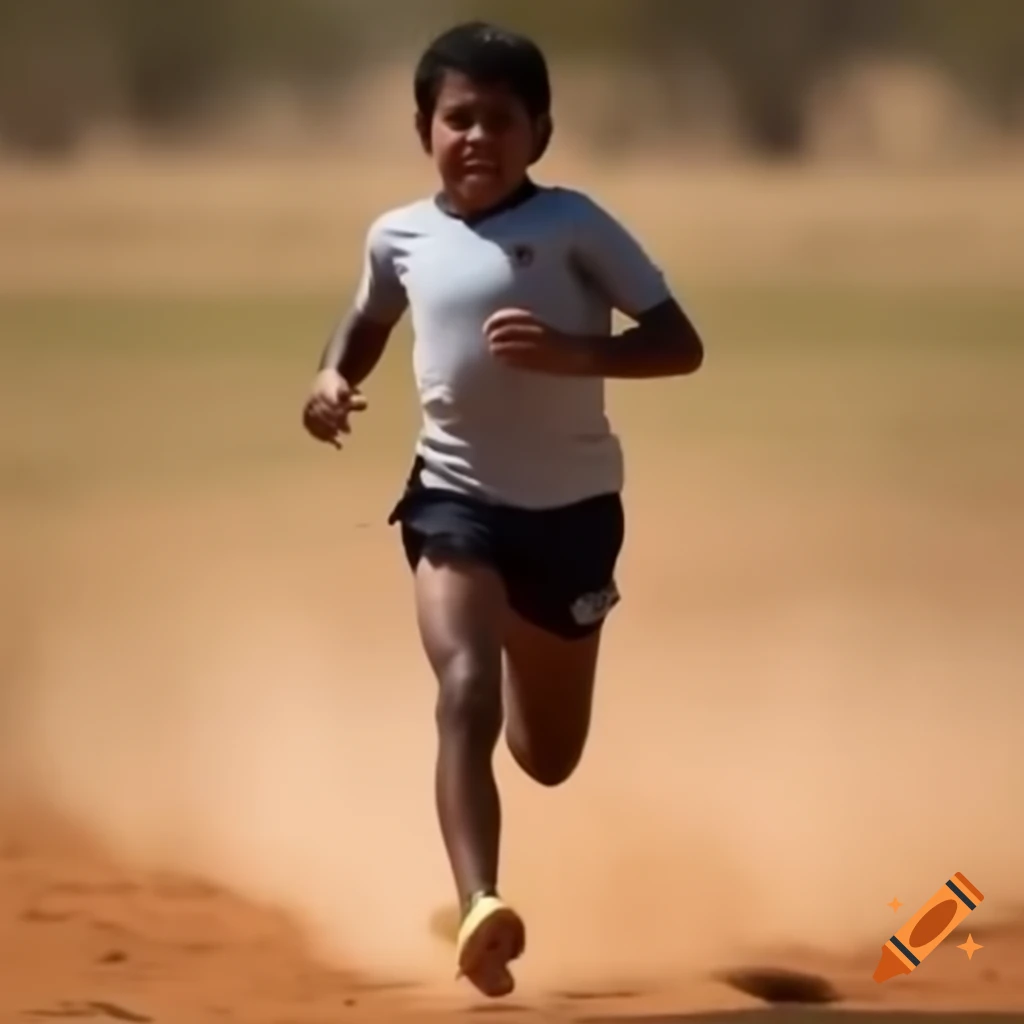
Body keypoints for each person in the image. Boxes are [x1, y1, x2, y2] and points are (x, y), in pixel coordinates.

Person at [302, 21, 704, 999]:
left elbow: (679, 342)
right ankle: (480, 901)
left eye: (499, 120)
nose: (476, 137)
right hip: (455, 504)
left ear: (540, 131)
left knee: (549, 756)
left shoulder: (574, 227)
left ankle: (529, 647)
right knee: (462, 686)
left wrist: (576, 354)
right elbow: (365, 321)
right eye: (457, 118)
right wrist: (329, 379)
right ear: (423, 128)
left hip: (570, 518)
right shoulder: (398, 235)